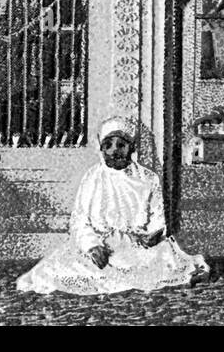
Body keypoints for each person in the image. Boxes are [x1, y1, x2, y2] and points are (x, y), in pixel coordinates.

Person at [17, 117, 209, 295]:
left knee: (162, 263)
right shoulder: (92, 178)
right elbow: (80, 220)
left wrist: (152, 235)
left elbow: (158, 216)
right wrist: (92, 246)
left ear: (132, 148)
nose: (114, 150)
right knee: (59, 270)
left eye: (121, 145)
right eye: (108, 146)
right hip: (103, 244)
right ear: (101, 149)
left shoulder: (148, 178)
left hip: (137, 245)